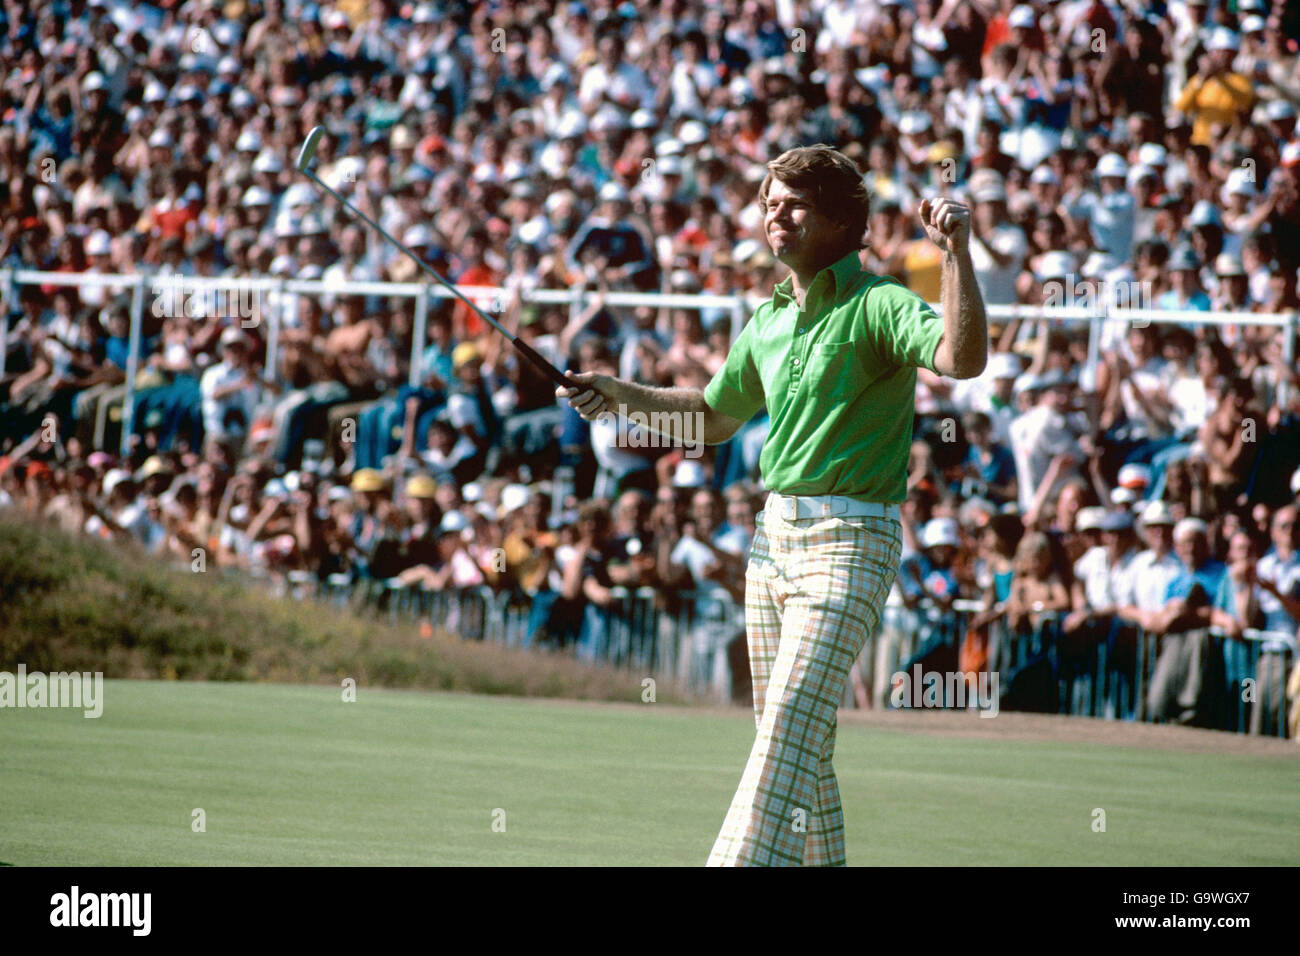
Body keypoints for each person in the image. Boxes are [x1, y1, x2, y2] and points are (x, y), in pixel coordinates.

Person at [557, 144, 987, 866]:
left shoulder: (876, 302)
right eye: (767, 202)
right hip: (772, 541)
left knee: (788, 724)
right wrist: (621, 394)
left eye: (791, 203)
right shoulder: (769, 317)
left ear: (840, 221)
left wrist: (956, 256)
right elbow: (712, 418)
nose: (772, 215)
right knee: (799, 743)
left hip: (852, 540)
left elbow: (962, 357)